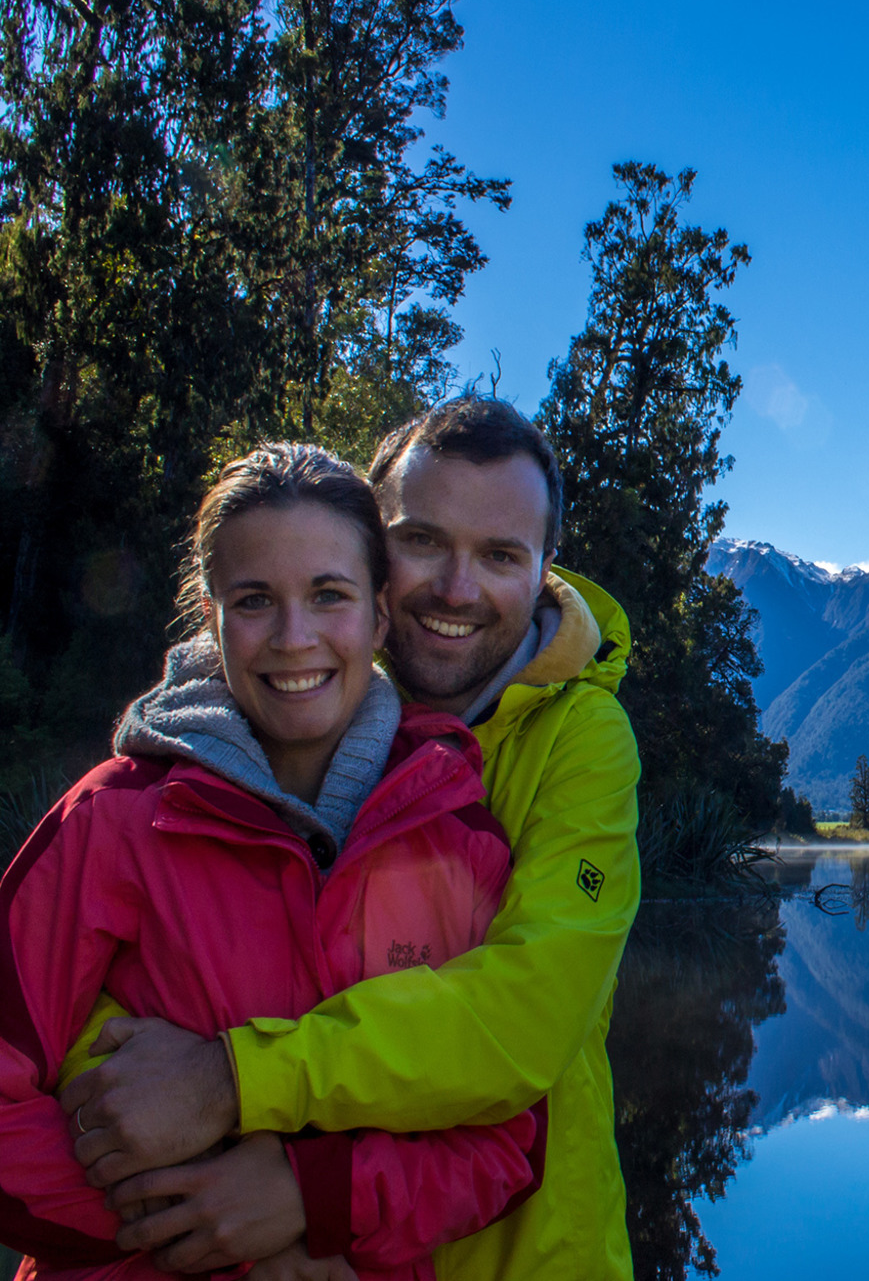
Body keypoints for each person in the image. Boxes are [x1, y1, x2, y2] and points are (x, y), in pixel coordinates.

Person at [59, 400, 643, 1279]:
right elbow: (112, 990)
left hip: (525, 1255)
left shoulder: (583, 742)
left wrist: (243, 1099)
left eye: (500, 555)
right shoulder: (293, 716)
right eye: (422, 541)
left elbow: (523, 1020)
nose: (456, 587)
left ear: (543, 569)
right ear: (373, 552)